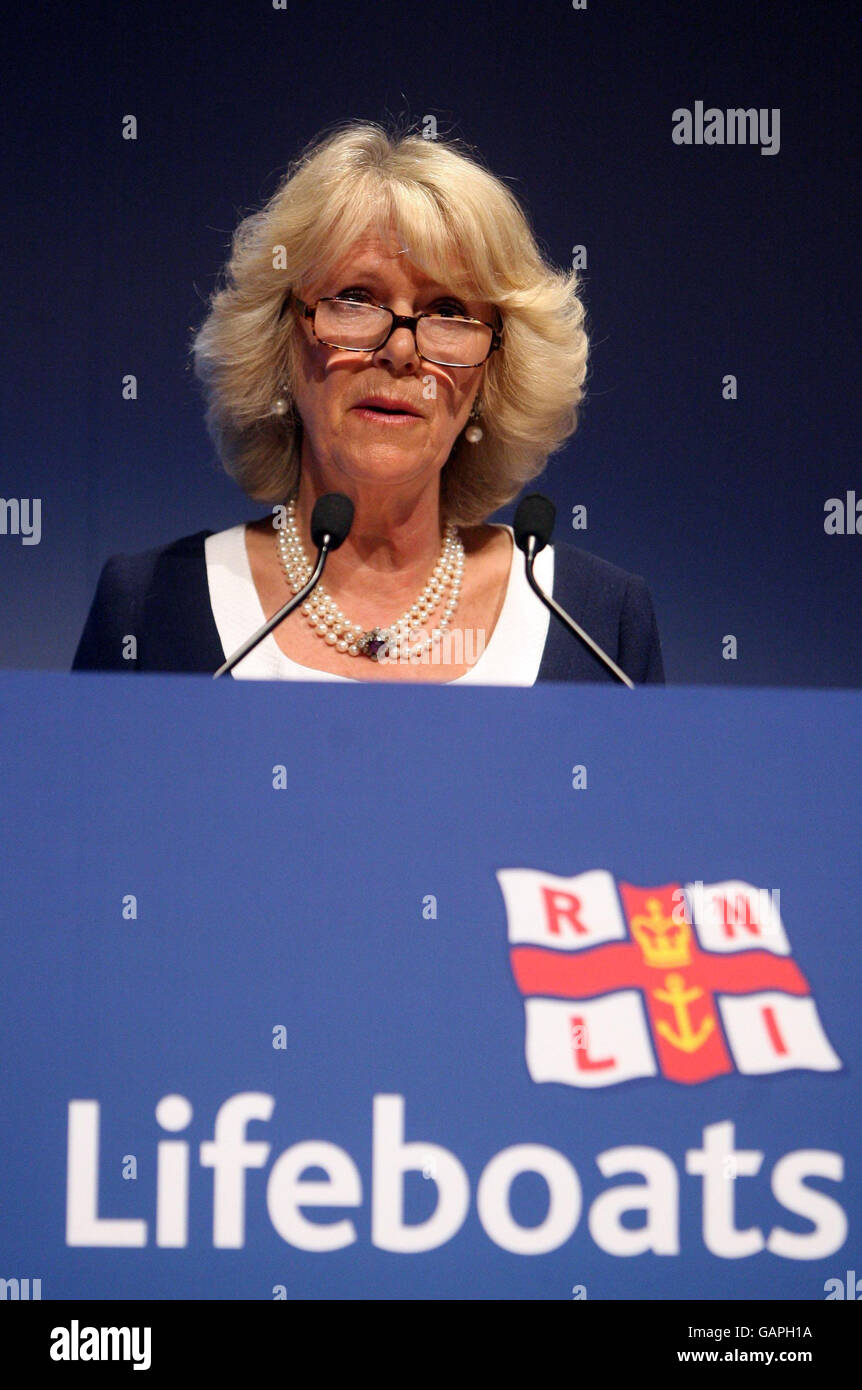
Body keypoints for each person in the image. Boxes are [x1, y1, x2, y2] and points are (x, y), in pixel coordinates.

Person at [72, 120, 664, 685]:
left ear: (495, 371)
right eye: (355, 300)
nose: (401, 351)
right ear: (282, 341)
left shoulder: (594, 623)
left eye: (449, 311)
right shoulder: (148, 608)